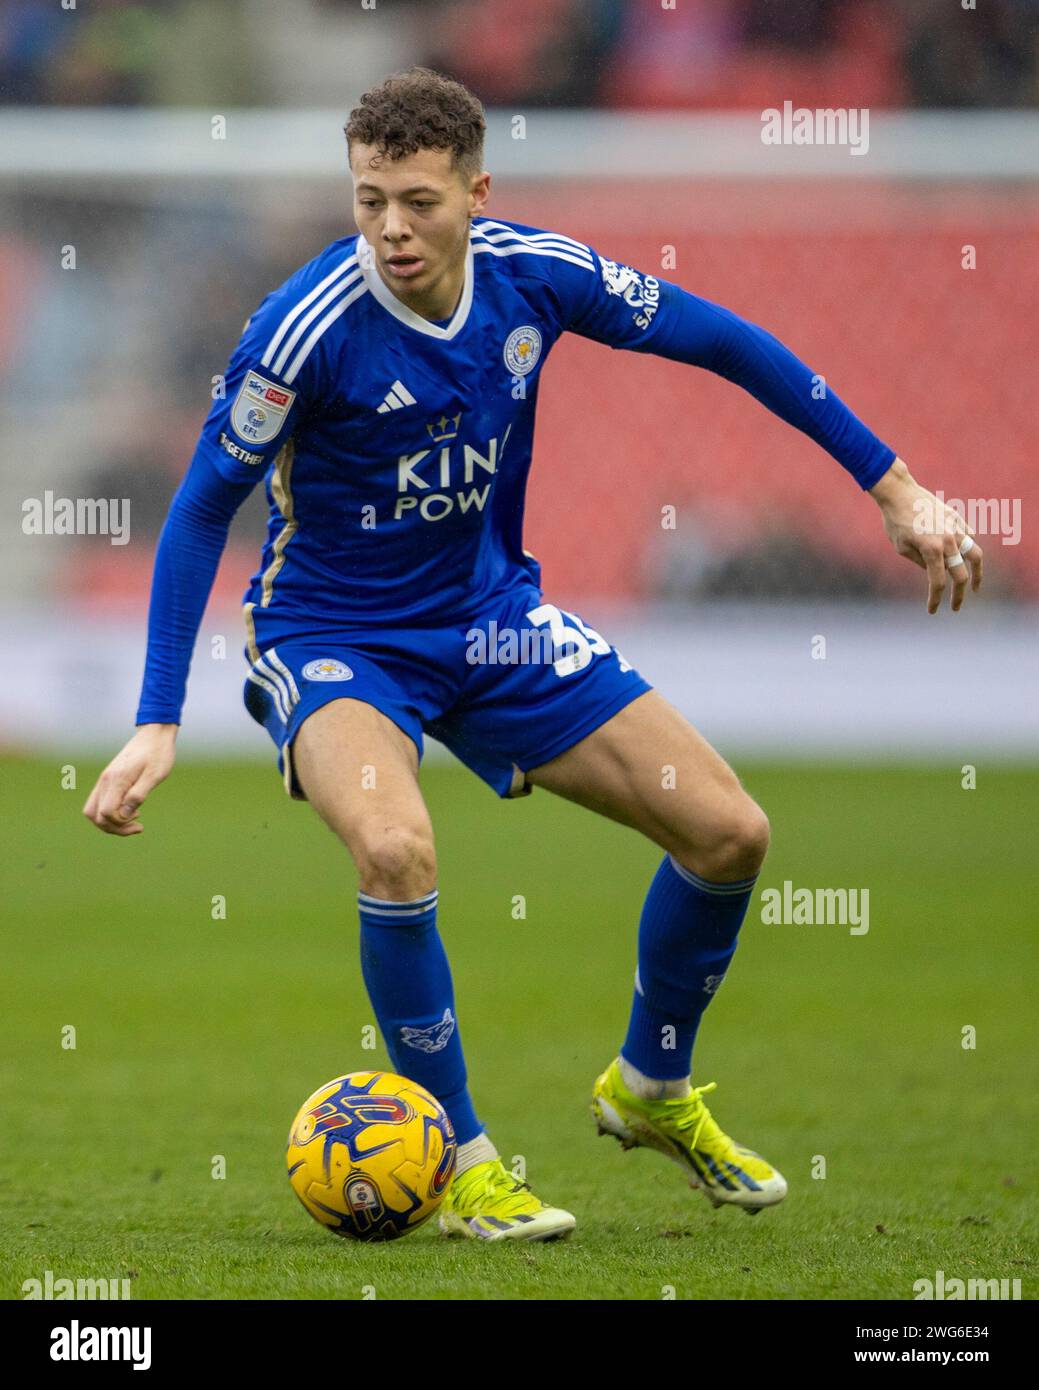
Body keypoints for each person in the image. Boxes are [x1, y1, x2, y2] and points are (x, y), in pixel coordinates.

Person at [83, 67, 983, 1242]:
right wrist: (157, 716)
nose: (391, 230)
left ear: (475, 190)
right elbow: (204, 508)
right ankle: (463, 1161)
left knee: (728, 833)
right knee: (397, 849)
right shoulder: (300, 330)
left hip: (491, 622)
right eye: (367, 202)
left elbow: (728, 341)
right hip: (334, 636)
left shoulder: (533, 274)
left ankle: (650, 1086)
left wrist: (893, 484)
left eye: (415, 200)